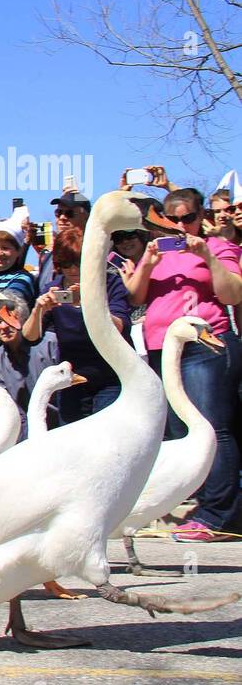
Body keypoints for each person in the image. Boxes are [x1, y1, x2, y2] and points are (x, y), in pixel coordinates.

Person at [125, 186, 242, 542]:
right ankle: (202, 505)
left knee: (212, 427)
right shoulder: (157, 251)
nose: (180, 225)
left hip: (206, 346)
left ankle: (220, 516)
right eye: (171, 218)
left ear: (200, 216)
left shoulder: (219, 246)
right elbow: (134, 297)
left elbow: (233, 294)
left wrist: (206, 254)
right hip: (164, 349)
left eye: (187, 217)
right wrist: (147, 262)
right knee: (180, 432)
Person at [21, 227, 131, 423]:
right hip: (74, 381)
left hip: (111, 378)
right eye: (65, 263)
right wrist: (39, 310)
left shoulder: (110, 284)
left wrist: (89, 302)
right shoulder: (52, 289)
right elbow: (30, 337)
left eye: (77, 262)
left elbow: (120, 327)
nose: (72, 270)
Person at [0, 292, 59, 418]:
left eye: (10, 318)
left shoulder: (50, 344)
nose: (4, 326)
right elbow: (10, 412)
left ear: (23, 318)